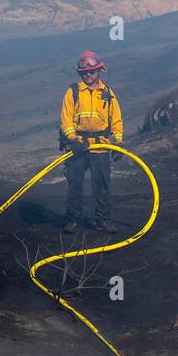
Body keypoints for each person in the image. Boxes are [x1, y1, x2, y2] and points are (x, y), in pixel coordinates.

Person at [59, 51, 123, 234]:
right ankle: (72, 220)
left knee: (101, 186)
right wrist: (73, 139)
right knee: (75, 185)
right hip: (77, 146)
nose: (88, 75)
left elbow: (116, 120)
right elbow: (66, 119)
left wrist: (118, 143)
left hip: (101, 145)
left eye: (92, 72)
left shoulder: (107, 93)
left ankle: (102, 221)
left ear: (99, 71)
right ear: (80, 73)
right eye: (84, 73)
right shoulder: (73, 92)